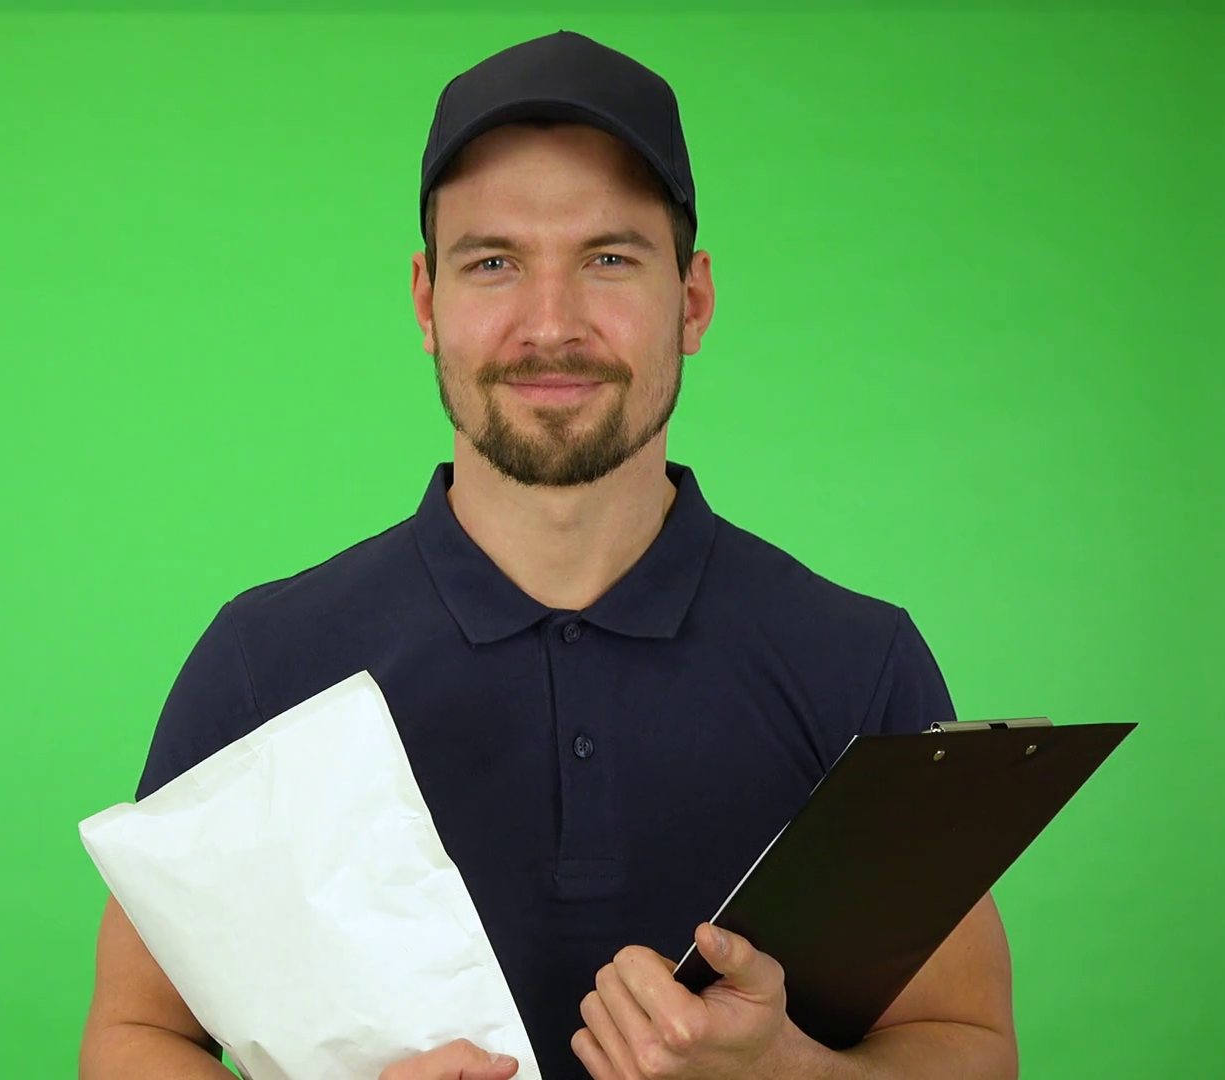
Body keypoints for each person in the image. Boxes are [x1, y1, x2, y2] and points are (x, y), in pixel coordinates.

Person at [78, 29, 1016, 1080]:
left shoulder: (856, 662)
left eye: (609, 259)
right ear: (428, 303)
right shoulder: (265, 661)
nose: (551, 323)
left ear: (693, 299)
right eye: (493, 264)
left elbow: (964, 1044)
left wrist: (788, 1073)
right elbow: (137, 1038)